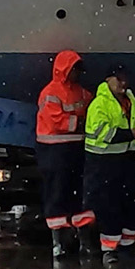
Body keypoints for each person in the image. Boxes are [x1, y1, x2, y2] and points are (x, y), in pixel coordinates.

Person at [84, 67, 135, 265]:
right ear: (108, 80)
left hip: (128, 160)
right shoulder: (99, 104)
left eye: (124, 79)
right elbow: (102, 134)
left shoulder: (132, 101)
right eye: (118, 80)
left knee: (131, 204)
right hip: (105, 163)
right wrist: (132, 135)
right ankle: (109, 250)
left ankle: (128, 245)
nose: (123, 84)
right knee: (109, 207)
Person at [37, 50, 94, 258]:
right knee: (57, 194)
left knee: (79, 195)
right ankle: (58, 242)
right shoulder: (50, 93)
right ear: (65, 70)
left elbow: (90, 110)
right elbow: (57, 121)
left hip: (74, 149)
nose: (77, 74)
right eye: (75, 69)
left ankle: (82, 240)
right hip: (55, 152)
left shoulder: (82, 93)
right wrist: (81, 123)